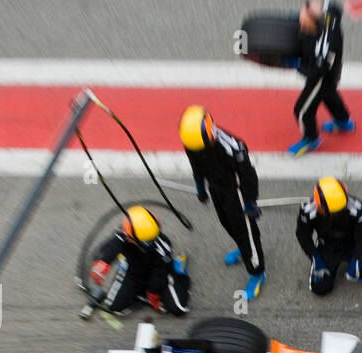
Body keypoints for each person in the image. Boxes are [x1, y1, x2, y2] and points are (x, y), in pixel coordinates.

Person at [180, 105, 265, 301]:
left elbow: (248, 176)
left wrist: (251, 201)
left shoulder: (233, 147)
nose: (198, 150)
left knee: (246, 231)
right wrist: (200, 186)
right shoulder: (192, 142)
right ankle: (244, 250)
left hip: (236, 192)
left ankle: (257, 272)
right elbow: (196, 165)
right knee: (227, 223)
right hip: (216, 188)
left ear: (211, 132)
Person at [87, 205, 190, 315]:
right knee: (114, 307)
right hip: (134, 274)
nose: (152, 241)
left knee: (178, 309)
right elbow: (111, 246)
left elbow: (160, 273)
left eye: (154, 237)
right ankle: (134, 283)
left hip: (161, 273)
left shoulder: (163, 246)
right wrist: (102, 262)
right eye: (148, 241)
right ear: (130, 237)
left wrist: (153, 292)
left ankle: (178, 267)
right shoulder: (126, 234)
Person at [290, 0, 352, 155]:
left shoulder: (322, 49)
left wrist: (296, 64)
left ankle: (311, 139)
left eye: (304, 20)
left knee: (302, 111)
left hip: (321, 76)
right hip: (332, 71)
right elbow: (332, 6)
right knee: (329, 93)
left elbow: (314, 72)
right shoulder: (330, 14)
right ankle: (343, 121)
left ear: (314, 25)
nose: (300, 19)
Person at [296, 177, 362, 294]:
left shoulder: (356, 208)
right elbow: (303, 236)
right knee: (320, 288)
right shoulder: (308, 212)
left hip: (351, 244)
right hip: (326, 247)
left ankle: (357, 264)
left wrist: (358, 260)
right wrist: (315, 257)